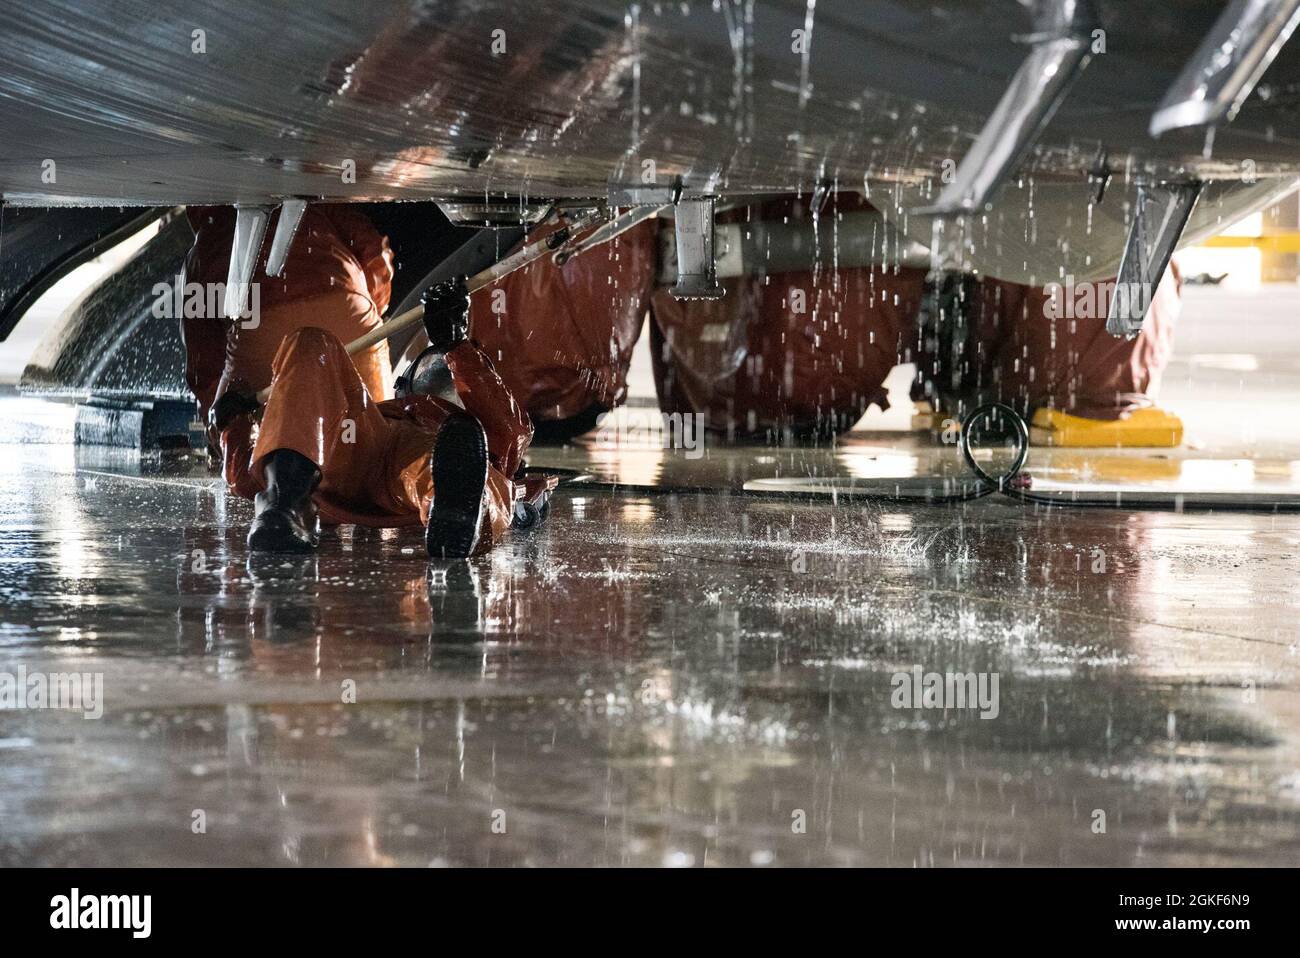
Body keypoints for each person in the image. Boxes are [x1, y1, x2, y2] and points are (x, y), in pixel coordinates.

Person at [182, 204, 547, 558]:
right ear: (402, 385)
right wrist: (455, 345)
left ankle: (456, 512)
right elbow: (510, 429)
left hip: (375, 462)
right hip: (365, 445)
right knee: (311, 342)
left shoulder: (207, 245)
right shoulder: (404, 414)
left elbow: (247, 473)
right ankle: (286, 506)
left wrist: (232, 423)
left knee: (439, 468)